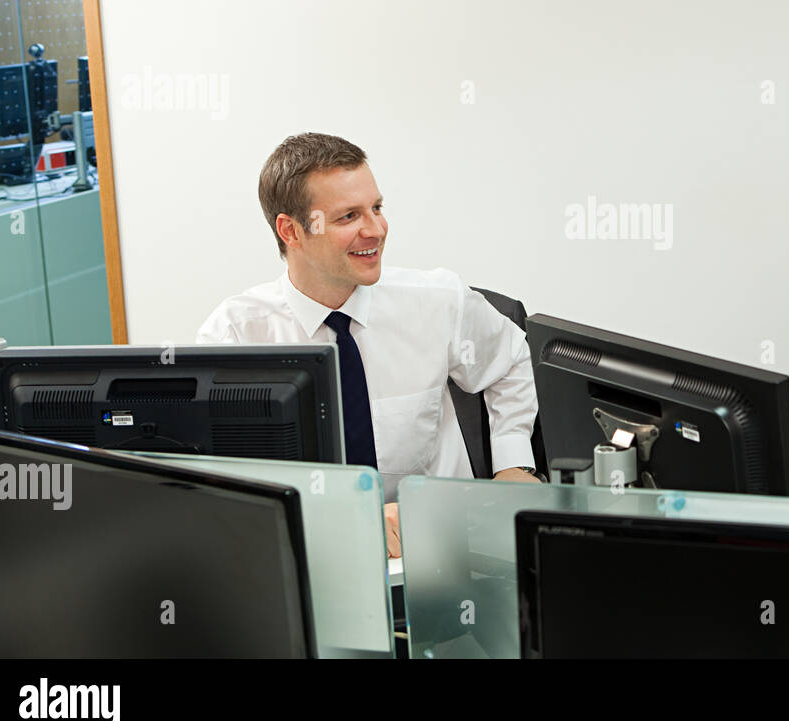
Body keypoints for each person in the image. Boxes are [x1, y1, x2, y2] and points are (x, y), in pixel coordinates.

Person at [197, 133, 541, 554]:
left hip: (443, 550)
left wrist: (513, 463)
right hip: (313, 557)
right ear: (291, 230)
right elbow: (225, 486)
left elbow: (509, 361)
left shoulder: (437, 300)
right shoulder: (235, 337)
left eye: (377, 208)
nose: (376, 230)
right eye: (348, 217)